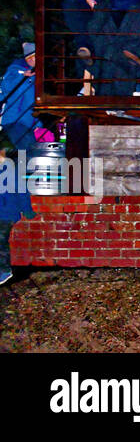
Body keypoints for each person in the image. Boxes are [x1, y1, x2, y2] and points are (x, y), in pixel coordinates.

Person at [1, 43, 55, 286]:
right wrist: (25, 77)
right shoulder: (17, 70)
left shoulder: (36, 77)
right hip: (16, 123)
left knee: (33, 154)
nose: (36, 62)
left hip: (29, 123)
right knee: (21, 159)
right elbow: (9, 85)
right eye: (34, 58)